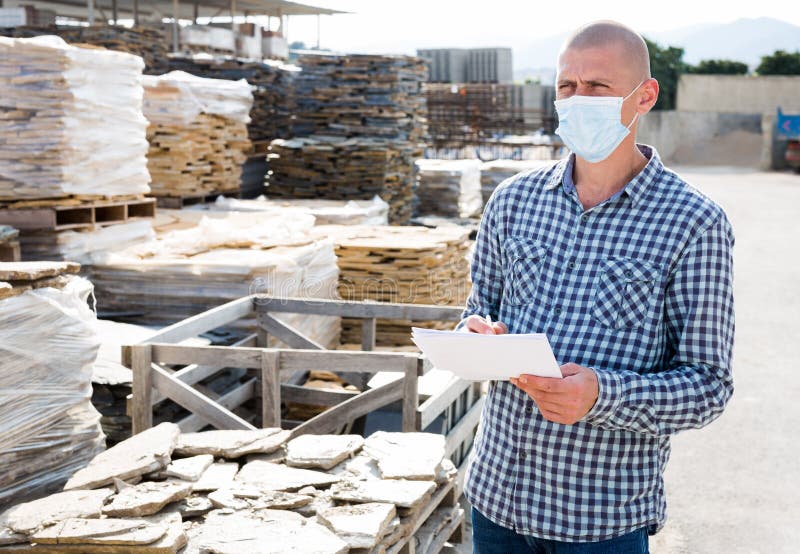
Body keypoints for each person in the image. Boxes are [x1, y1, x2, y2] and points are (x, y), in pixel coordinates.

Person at [460, 20, 735, 553]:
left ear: (644, 96)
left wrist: (601, 396)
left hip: (600, 520)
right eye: (567, 86)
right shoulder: (513, 201)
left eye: (597, 88)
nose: (577, 99)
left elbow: (708, 385)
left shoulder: (693, 222)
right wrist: (474, 338)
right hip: (496, 500)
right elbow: (476, 309)